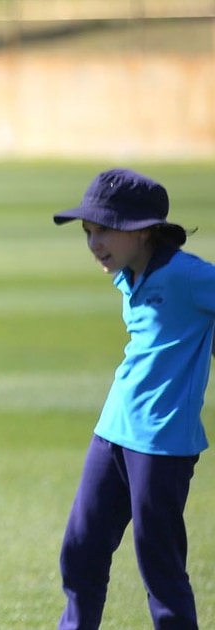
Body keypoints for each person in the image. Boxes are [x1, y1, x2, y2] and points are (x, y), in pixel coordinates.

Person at [52, 168, 213, 630]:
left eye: (105, 229)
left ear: (143, 232)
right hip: (112, 432)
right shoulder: (128, 274)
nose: (94, 242)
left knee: (160, 568)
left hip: (163, 446)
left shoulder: (186, 275)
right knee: (80, 551)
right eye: (88, 231)